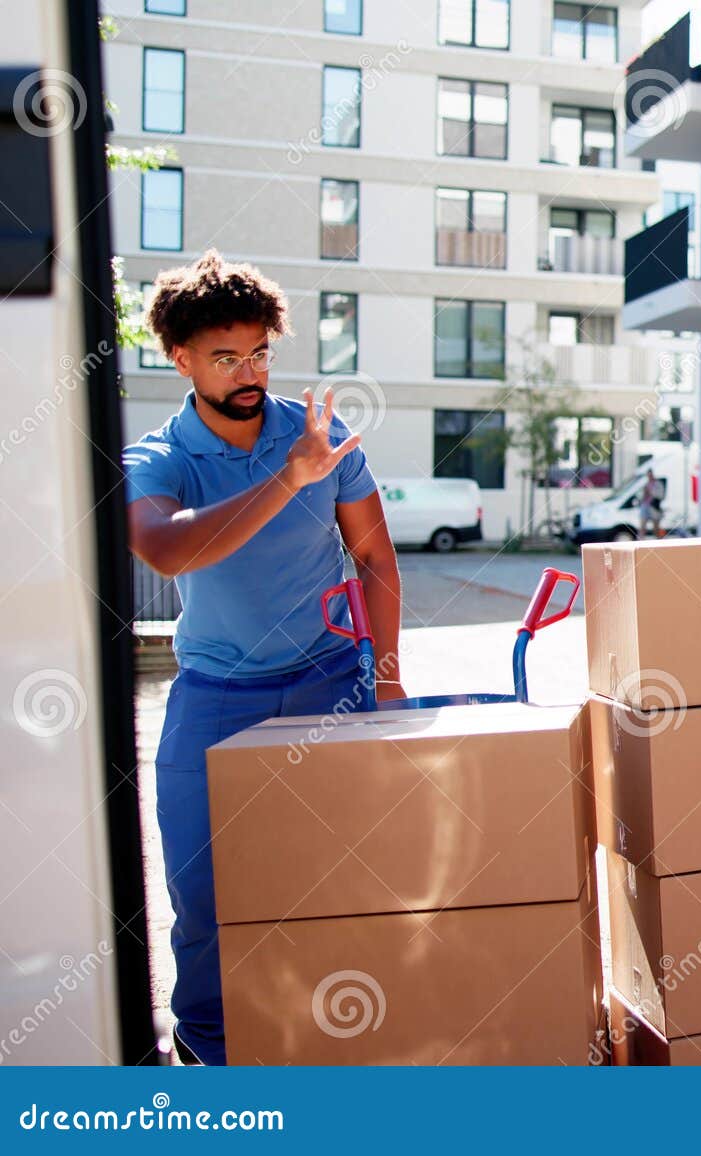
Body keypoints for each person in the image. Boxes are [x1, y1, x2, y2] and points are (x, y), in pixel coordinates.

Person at [123, 250, 406, 1065]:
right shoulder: (160, 457)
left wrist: (388, 681)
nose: (248, 373)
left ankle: (333, 1042)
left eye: (259, 353)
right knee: (203, 894)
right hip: (216, 693)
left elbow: (375, 558)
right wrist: (288, 479)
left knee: (335, 881)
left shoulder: (319, 436)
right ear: (181, 359)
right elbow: (165, 550)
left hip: (328, 681)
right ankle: (210, 1054)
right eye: (225, 357)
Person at [640, 467, 663, 538]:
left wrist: (650, 492)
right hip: (645, 505)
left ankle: (658, 539)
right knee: (642, 526)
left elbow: (660, 495)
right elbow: (643, 497)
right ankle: (641, 540)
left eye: (650, 475)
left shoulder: (658, 484)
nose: (649, 476)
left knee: (655, 527)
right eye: (648, 475)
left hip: (654, 507)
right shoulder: (646, 484)